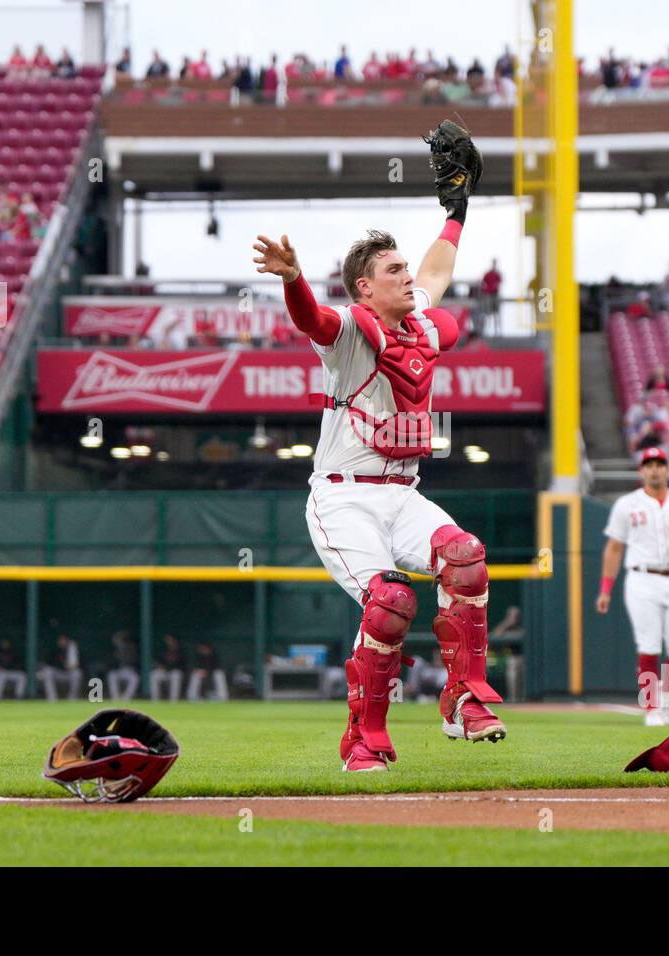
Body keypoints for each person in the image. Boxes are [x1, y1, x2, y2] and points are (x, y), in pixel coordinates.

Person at [251, 142, 506, 772]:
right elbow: (311, 319)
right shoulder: (350, 332)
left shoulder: (416, 321)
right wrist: (291, 277)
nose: (407, 278)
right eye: (394, 271)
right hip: (343, 498)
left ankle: (460, 699)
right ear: (365, 286)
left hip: (402, 494)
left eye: (403, 269)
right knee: (390, 600)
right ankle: (362, 738)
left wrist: (457, 209)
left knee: (467, 560)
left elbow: (439, 272)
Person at [594, 446, 669, 726]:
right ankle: (652, 707)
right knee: (649, 644)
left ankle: (665, 695)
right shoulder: (627, 504)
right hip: (641, 578)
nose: (654, 468)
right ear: (642, 470)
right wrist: (606, 589)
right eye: (649, 464)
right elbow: (614, 548)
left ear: (668, 469)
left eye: (659, 464)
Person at [38, 634, 82, 701]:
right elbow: (48, 664)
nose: (62, 642)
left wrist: (70, 665)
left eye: (63, 640)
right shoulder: (54, 650)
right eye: (60, 641)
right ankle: (52, 699)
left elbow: (76, 664)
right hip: (57, 673)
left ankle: (72, 699)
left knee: (77, 673)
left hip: (69, 674)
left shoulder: (72, 648)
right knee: (47, 672)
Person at [150, 632, 185, 701]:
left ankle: (173, 700)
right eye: (167, 640)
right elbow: (158, 661)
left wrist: (167, 667)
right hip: (165, 672)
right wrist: (159, 666)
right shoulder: (163, 649)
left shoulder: (181, 650)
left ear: (174, 640)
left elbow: (182, 665)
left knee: (176, 675)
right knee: (153, 675)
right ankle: (155, 700)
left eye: (169, 639)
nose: (168, 641)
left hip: (175, 672)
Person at [106, 630, 140, 699]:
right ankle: (116, 698)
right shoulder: (112, 649)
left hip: (129, 670)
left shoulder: (130, 648)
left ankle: (126, 698)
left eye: (118, 639)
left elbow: (134, 661)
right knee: (111, 675)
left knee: (135, 678)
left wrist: (122, 656)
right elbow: (109, 663)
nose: (117, 641)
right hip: (118, 670)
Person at [478, 259, 502, 336]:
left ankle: (497, 332)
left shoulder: (498, 274)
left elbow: (499, 283)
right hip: (488, 295)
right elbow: (483, 283)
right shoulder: (488, 274)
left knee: (496, 314)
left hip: (495, 295)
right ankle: (485, 331)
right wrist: (485, 290)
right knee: (487, 313)